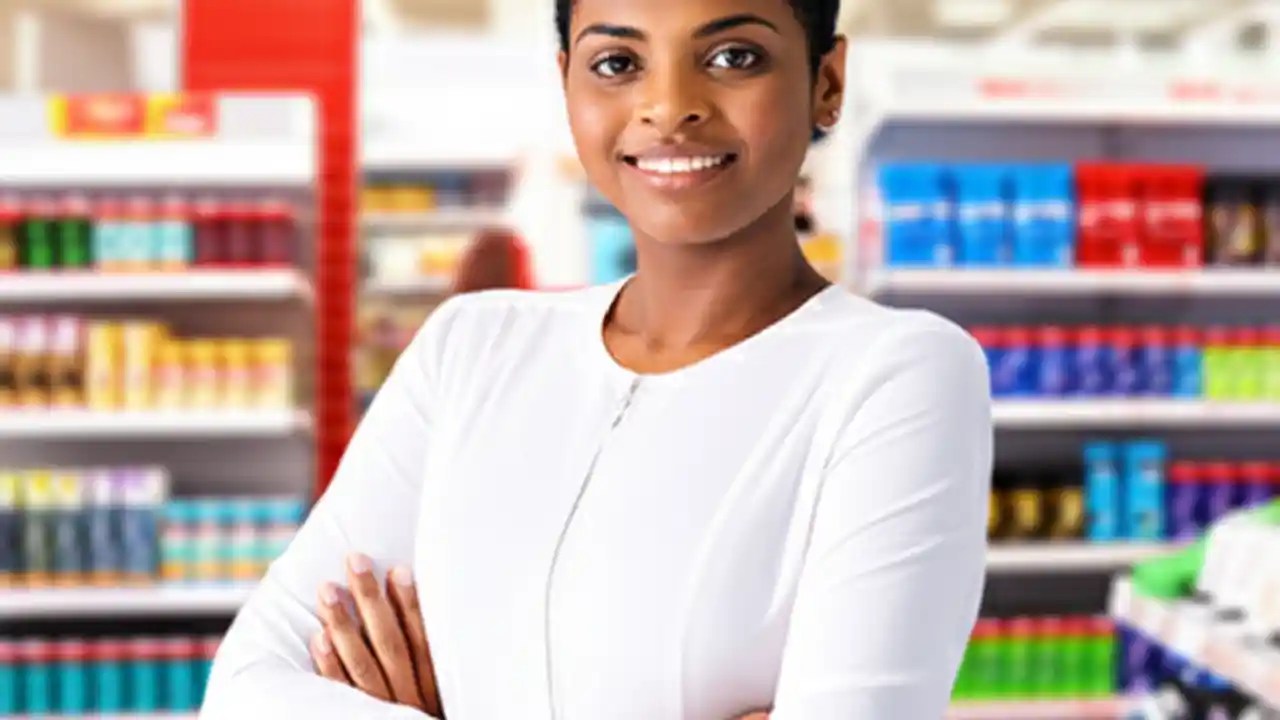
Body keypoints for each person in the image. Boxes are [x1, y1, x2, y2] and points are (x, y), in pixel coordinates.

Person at [200, 0, 993, 718]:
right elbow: (246, 691)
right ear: (568, 86)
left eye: (734, 57)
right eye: (617, 63)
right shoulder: (470, 349)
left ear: (827, 83)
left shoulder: (897, 375)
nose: (668, 105)